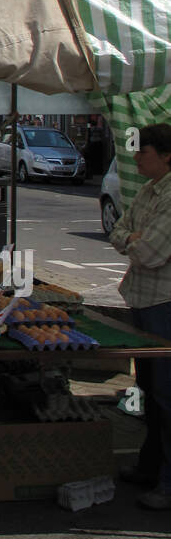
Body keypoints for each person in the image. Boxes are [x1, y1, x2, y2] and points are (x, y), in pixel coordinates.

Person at [109, 124, 171, 510]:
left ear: (167, 155)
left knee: (167, 396)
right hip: (143, 299)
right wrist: (131, 237)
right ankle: (151, 466)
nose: (136, 158)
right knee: (149, 391)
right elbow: (118, 230)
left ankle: (168, 482)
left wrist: (133, 238)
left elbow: (149, 251)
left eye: (143, 151)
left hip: (164, 303)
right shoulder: (150, 190)